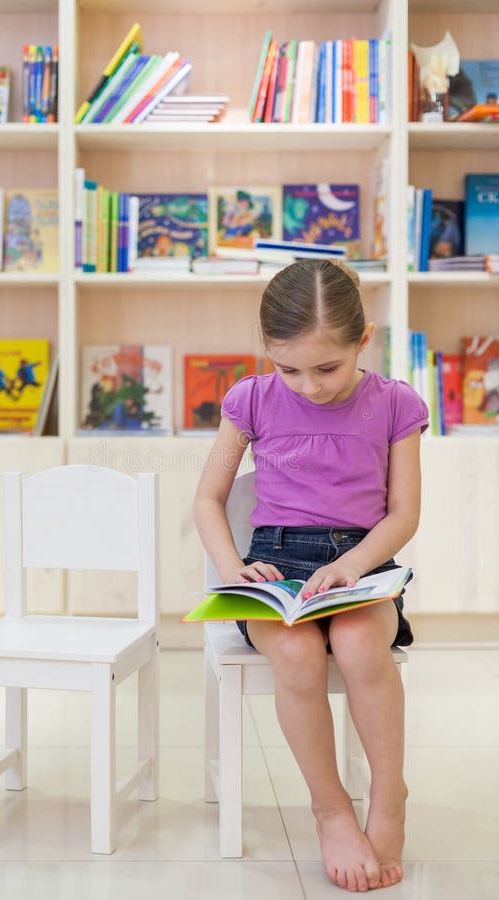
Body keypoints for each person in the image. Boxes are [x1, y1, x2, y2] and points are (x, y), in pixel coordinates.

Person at [194, 258, 428, 893]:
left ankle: (389, 796)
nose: (309, 387)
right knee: (296, 656)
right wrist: (236, 570)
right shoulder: (248, 399)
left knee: (356, 642)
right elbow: (208, 499)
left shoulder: (396, 404)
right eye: (287, 367)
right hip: (274, 564)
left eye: (327, 367)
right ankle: (330, 810)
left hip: (362, 563)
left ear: (363, 339)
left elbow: (403, 514)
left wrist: (350, 568)